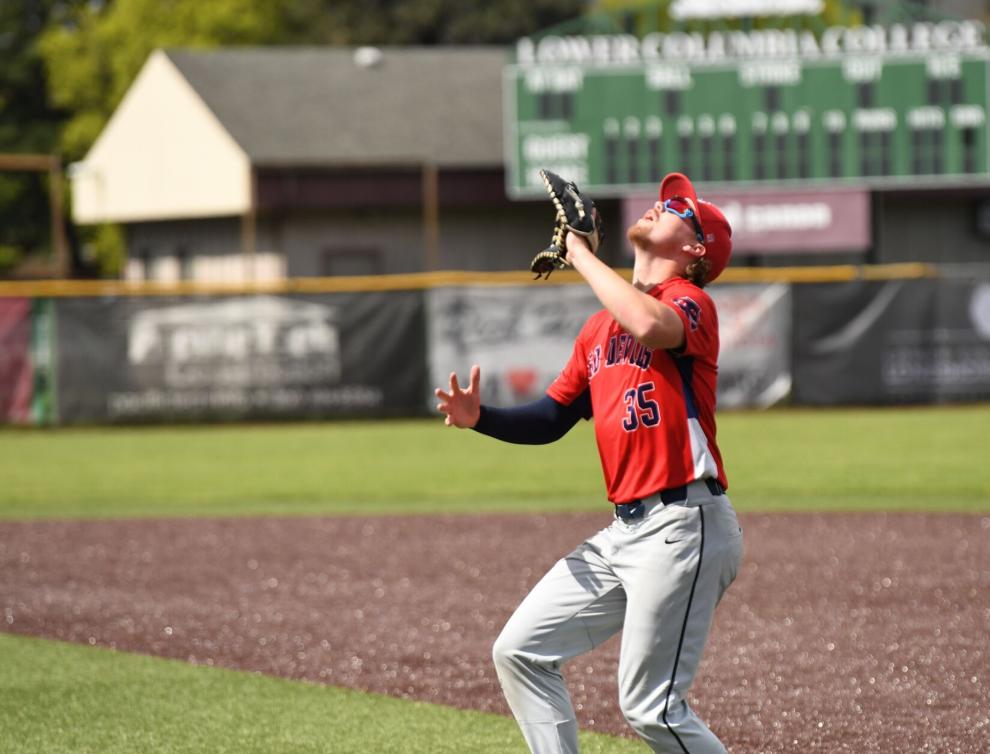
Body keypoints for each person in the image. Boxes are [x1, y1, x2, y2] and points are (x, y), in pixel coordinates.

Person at [434, 172, 743, 754]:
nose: (658, 206)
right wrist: (482, 419)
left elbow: (648, 324)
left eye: (677, 208)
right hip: (624, 533)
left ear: (695, 249)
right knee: (520, 652)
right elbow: (553, 418)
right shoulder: (598, 328)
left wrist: (578, 252)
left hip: (684, 523)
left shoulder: (690, 302)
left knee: (651, 708)